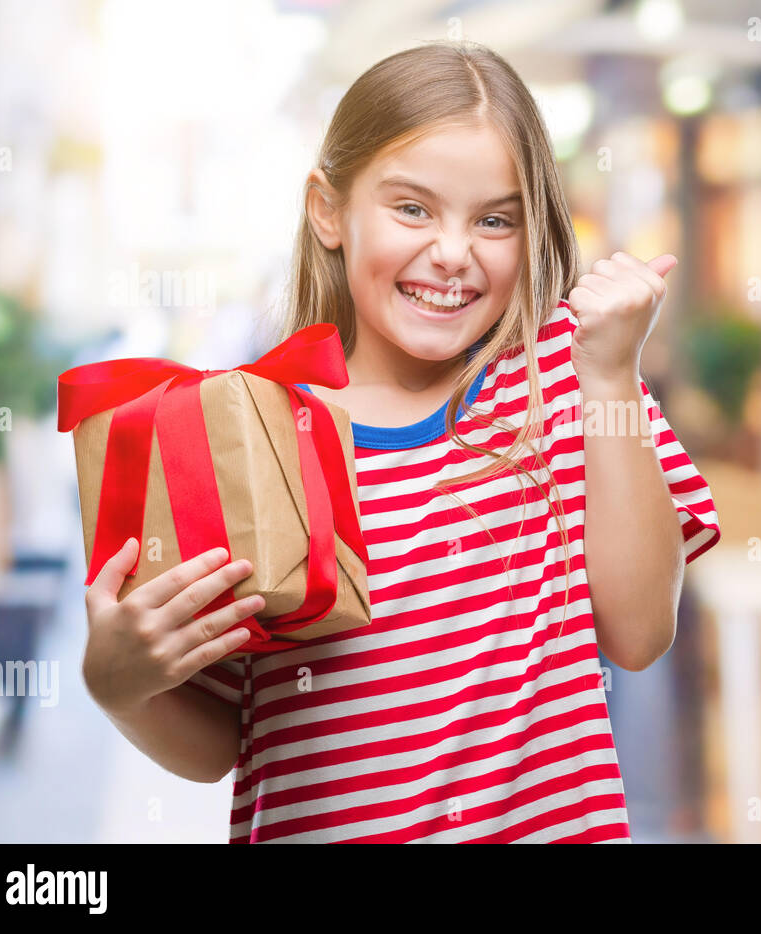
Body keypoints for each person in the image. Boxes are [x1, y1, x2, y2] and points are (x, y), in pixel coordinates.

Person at [79, 40, 720, 843]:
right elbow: (218, 745)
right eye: (412, 208)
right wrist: (119, 685)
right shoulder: (252, 436)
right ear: (329, 210)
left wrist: (614, 378)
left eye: (495, 219)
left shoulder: (569, 378)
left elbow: (638, 633)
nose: (452, 252)